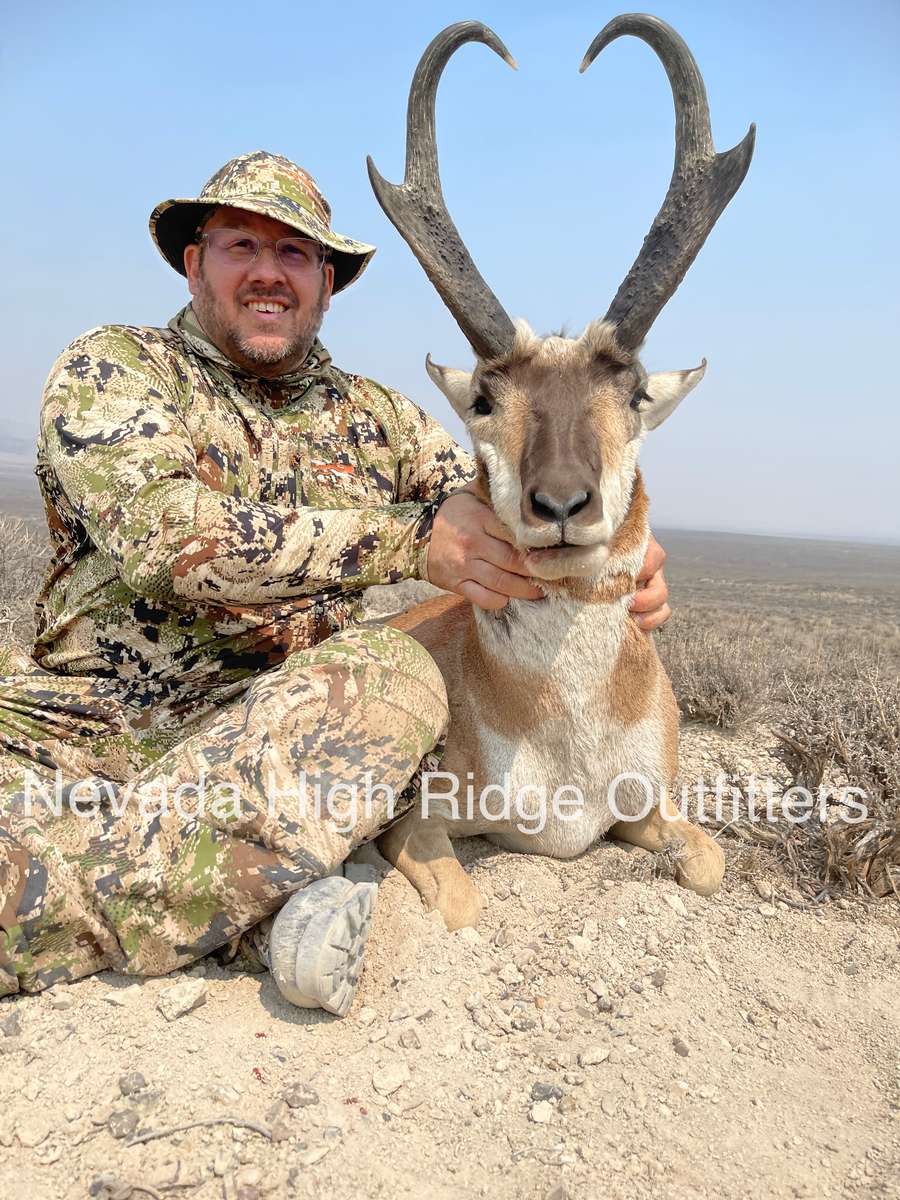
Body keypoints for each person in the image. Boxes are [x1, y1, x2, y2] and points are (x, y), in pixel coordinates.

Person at [0, 152, 669, 1015]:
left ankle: (70, 901)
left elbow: (499, 510)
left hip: (288, 729)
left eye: (295, 253)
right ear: (194, 262)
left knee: (395, 677)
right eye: (241, 245)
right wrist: (409, 540)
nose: (268, 272)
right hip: (82, 721)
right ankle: (247, 905)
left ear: (326, 282)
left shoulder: (379, 420)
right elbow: (164, 536)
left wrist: (623, 555)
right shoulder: (115, 368)